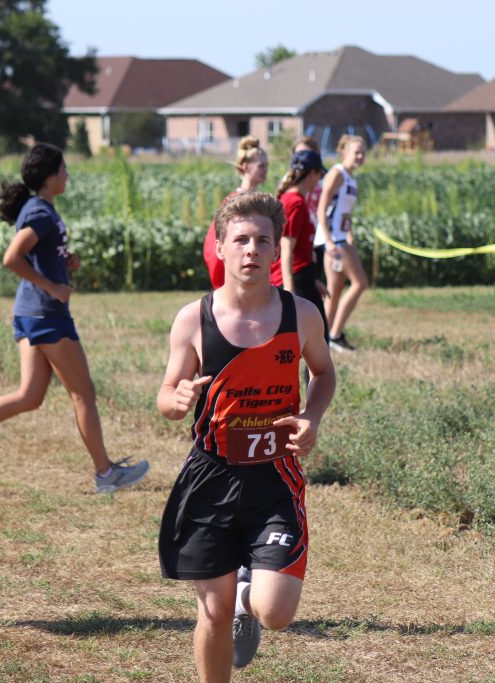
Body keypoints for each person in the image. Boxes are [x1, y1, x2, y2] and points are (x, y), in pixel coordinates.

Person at [157, 192, 336, 681]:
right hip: (211, 478)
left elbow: (323, 373)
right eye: (240, 240)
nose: (252, 250)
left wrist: (312, 416)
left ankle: (247, 592)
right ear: (220, 246)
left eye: (262, 240)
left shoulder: (300, 315)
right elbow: (167, 392)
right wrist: (173, 402)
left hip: (274, 479)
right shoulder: (194, 318)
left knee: (275, 612)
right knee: (213, 613)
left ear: (277, 247)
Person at [0, 142, 148, 494]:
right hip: (46, 315)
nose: (68, 174)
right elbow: (12, 257)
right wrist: (53, 286)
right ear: (49, 178)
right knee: (83, 393)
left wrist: (64, 262)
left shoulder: (40, 208)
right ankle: (106, 474)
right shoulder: (41, 212)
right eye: (63, 169)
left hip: (32, 312)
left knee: (29, 396)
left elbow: (36, 254)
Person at [314, 135, 368, 352]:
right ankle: (334, 335)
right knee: (360, 283)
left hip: (341, 238)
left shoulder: (350, 177)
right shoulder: (336, 174)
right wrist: (328, 240)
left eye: (363, 152)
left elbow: (344, 211)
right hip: (333, 241)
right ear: (343, 152)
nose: (361, 156)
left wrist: (350, 234)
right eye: (356, 152)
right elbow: (321, 208)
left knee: (335, 291)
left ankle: (323, 339)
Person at [272, 149, 329, 340]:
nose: (320, 179)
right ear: (312, 173)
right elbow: (286, 248)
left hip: (303, 277)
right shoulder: (294, 202)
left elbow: (298, 251)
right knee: (317, 339)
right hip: (294, 279)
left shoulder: (296, 201)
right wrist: (289, 292)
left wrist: (313, 280)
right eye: (320, 174)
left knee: (313, 340)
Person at [203, 136, 269, 289]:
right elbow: (215, 242)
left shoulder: (258, 199)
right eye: (261, 165)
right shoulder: (234, 201)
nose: (266, 170)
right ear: (246, 167)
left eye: (267, 165)